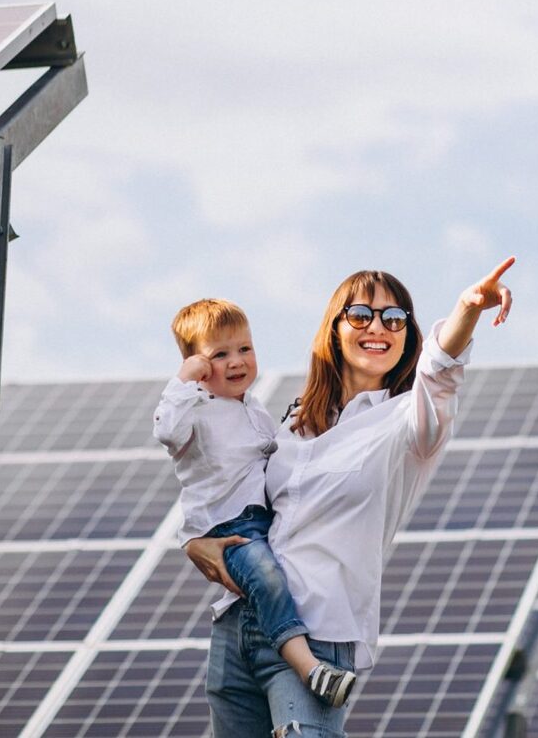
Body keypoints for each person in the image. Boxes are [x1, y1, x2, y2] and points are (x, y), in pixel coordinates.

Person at [184, 258, 515, 738]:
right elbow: (232, 493)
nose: (378, 327)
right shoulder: (292, 422)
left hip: (319, 634)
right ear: (335, 329)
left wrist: (467, 309)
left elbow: (441, 373)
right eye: (361, 315)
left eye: (394, 318)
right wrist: (196, 542)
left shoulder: (409, 424)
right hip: (240, 625)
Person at [153, 298, 357, 708]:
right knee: (267, 578)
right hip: (227, 528)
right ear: (197, 364)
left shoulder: (254, 408)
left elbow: (276, 454)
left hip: (261, 522)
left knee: (281, 575)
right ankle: (309, 668)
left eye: (244, 349)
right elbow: (167, 433)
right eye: (220, 354)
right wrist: (183, 382)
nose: (237, 361)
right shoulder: (194, 410)